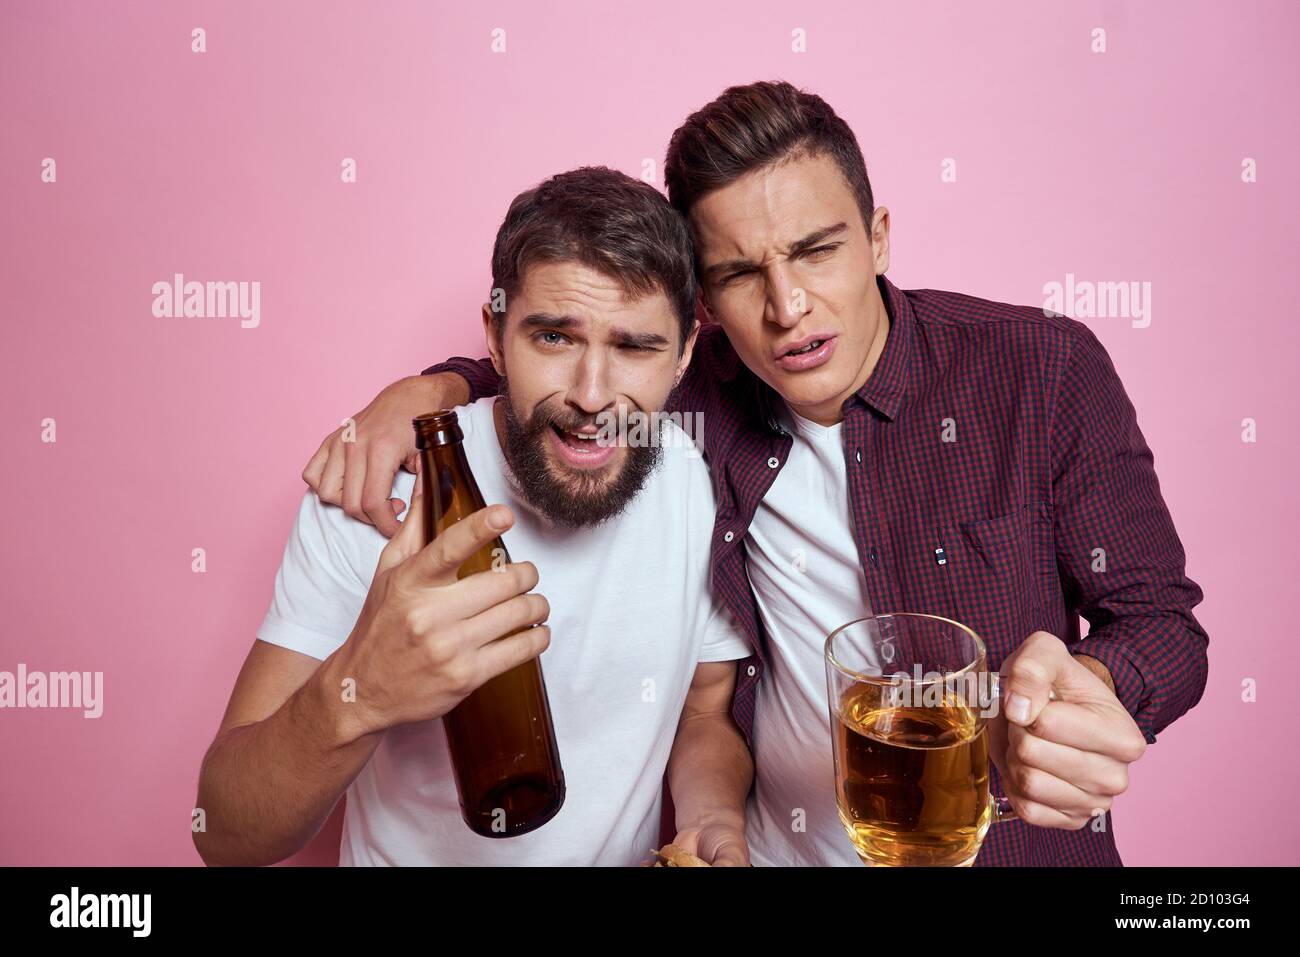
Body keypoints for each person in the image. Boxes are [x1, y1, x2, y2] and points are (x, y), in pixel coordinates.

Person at [302, 81, 1209, 866]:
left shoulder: (1039, 369)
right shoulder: (699, 390)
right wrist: (432, 391)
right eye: (740, 273)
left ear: (880, 237)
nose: (788, 308)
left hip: (999, 844)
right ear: (705, 306)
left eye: (817, 250)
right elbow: (577, 361)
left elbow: (1165, 621)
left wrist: (1097, 685)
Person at [194, 167, 754, 866]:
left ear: (683, 357)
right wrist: (361, 692)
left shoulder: (694, 485)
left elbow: (704, 709)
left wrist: (711, 818)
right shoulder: (382, 494)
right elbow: (220, 829)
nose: (591, 393)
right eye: (553, 338)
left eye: (634, 346)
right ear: (495, 335)